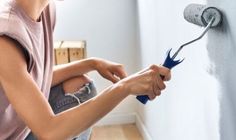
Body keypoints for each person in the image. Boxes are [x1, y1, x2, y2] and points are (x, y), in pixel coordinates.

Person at [0, 0, 171, 139]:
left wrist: (92, 64)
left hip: (23, 126)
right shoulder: (6, 38)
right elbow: (49, 132)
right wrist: (124, 87)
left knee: (81, 85)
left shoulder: (45, 10)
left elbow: (35, 80)